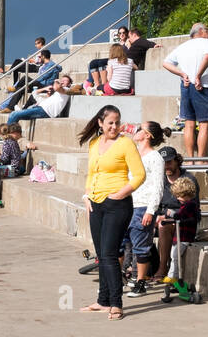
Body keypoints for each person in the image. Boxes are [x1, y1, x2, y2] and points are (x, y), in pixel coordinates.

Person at [80, 106, 146, 320]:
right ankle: (103, 300)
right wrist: (87, 195)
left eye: (117, 122)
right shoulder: (94, 143)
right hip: (96, 203)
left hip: (117, 205)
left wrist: (120, 193)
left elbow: (139, 175)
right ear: (100, 123)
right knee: (101, 254)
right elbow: (91, 174)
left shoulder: (125, 143)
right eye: (110, 122)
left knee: (109, 254)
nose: (114, 126)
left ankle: (116, 303)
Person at [162, 23, 208, 161]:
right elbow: (207, 57)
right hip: (201, 85)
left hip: (185, 86)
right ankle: (200, 159)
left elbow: (166, 63)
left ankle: (190, 158)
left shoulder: (183, 46)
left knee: (189, 123)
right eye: (207, 30)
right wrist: (198, 75)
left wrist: (182, 74)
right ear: (200, 31)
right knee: (205, 124)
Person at [123, 122, 166, 295]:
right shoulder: (133, 153)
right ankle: (126, 278)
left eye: (140, 128)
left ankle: (141, 282)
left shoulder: (155, 157)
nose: (136, 130)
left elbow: (158, 187)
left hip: (143, 205)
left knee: (141, 245)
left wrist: (150, 210)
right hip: (127, 204)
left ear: (147, 135)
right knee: (125, 244)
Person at [154, 146, 201, 278]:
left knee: (163, 226)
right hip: (161, 216)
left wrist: (170, 216)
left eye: (169, 162)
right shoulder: (159, 179)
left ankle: (163, 268)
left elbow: (194, 210)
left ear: (176, 160)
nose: (166, 166)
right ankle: (136, 269)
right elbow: (154, 203)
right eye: (163, 163)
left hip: (182, 222)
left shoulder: (188, 180)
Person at [158, 177, 201, 283]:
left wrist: (170, 213)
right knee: (174, 255)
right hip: (180, 236)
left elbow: (181, 217)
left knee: (175, 256)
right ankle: (173, 276)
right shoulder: (186, 205)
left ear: (186, 194)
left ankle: (172, 276)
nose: (178, 198)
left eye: (179, 196)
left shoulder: (190, 205)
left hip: (184, 237)